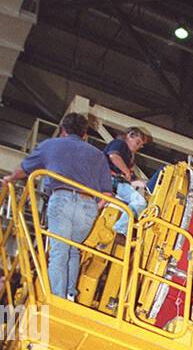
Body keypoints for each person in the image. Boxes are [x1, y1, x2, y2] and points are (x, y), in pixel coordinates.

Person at [1, 112, 113, 299]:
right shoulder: (97, 154)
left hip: (62, 199)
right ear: (85, 134)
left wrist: (10, 178)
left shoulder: (50, 145)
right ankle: (69, 294)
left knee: (59, 252)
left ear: (63, 130)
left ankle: (57, 298)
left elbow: (24, 169)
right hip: (88, 206)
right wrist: (95, 207)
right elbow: (107, 193)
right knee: (73, 249)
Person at [104, 128, 150, 236]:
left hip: (114, 181)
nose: (139, 146)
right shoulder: (120, 144)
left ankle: (126, 227)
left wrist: (142, 186)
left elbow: (131, 178)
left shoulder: (128, 156)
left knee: (140, 198)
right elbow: (114, 156)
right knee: (139, 201)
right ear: (129, 136)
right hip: (110, 179)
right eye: (137, 142)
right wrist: (126, 172)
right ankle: (121, 229)